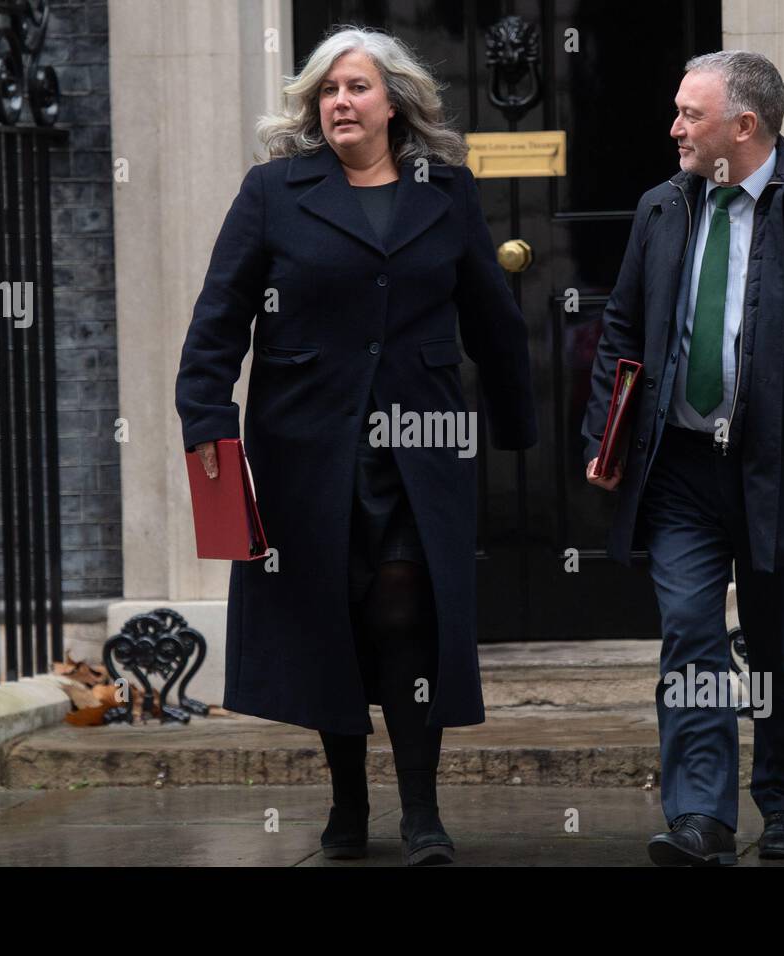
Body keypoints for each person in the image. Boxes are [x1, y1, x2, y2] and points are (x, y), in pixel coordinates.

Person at [175, 25, 536, 866]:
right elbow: (219, 319)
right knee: (330, 611)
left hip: (419, 442)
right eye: (328, 90)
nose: (340, 102)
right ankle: (346, 803)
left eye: (357, 88)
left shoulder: (443, 190)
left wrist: (517, 423)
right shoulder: (273, 191)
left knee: (407, 603)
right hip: (307, 443)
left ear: (394, 103)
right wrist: (208, 431)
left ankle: (420, 810)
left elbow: (492, 314)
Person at [581, 50, 784, 866]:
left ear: (744, 126)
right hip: (678, 468)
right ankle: (700, 817)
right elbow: (620, 329)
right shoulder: (660, 209)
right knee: (690, 636)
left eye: (691, 114)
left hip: (777, 466)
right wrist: (603, 437)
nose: (675, 127)